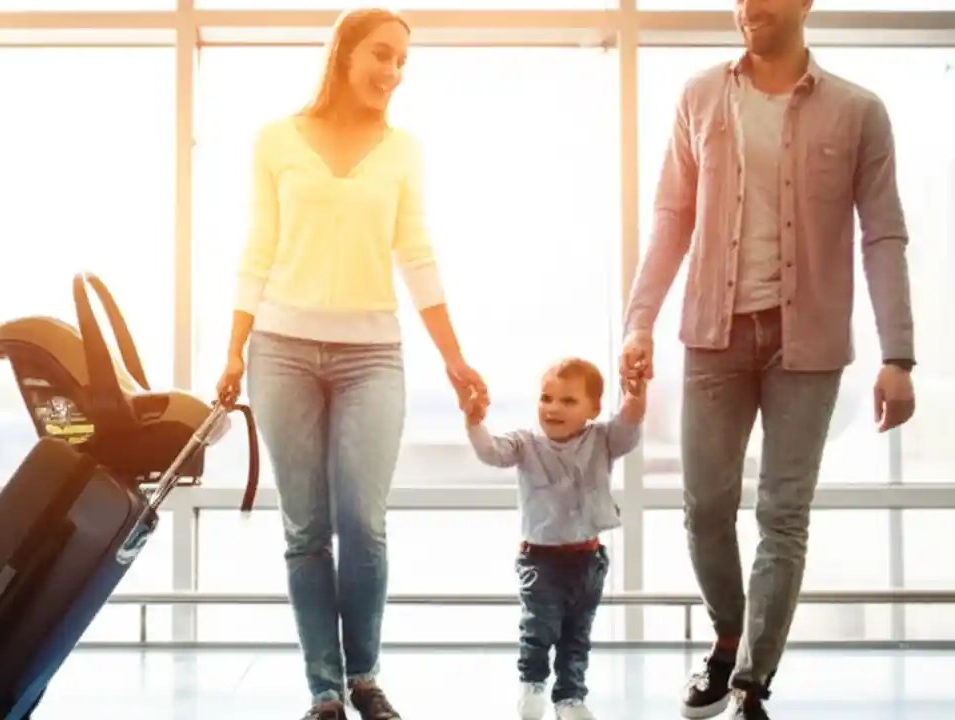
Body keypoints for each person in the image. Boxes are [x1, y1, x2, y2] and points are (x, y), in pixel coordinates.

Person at [619, 1, 918, 718]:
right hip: (713, 336)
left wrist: (898, 355)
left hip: (806, 343)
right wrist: (638, 323)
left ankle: (752, 680)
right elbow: (671, 216)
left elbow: (883, 234)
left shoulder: (858, 111)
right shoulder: (699, 97)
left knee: (783, 514)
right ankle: (728, 636)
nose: (751, 6)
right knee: (705, 510)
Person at [214, 8, 488, 720]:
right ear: (344, 53)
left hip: (373, 357)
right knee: (305, 531)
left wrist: (455, 359)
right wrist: (233, 350)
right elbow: (257, 250)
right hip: (281, 352)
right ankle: (326, 691)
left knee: (362, 523)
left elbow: (418, 256)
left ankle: (364, 677)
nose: (393, 72)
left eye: (402, 61)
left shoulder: (403, 151)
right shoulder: (275, 141)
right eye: (382, 55)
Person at [462, 358, 646, 720]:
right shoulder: (524, 443)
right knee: (539, 628)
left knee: (576, 636)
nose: (554, 408)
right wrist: (474, 421)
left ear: (593, 408)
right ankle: (531, 686)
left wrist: (636, 397)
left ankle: (569, 698)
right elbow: (491, 453)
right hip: (540, 560)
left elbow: (629, 427)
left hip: (588, 560)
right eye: (547, 398)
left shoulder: (602, 438)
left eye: (568, 401)